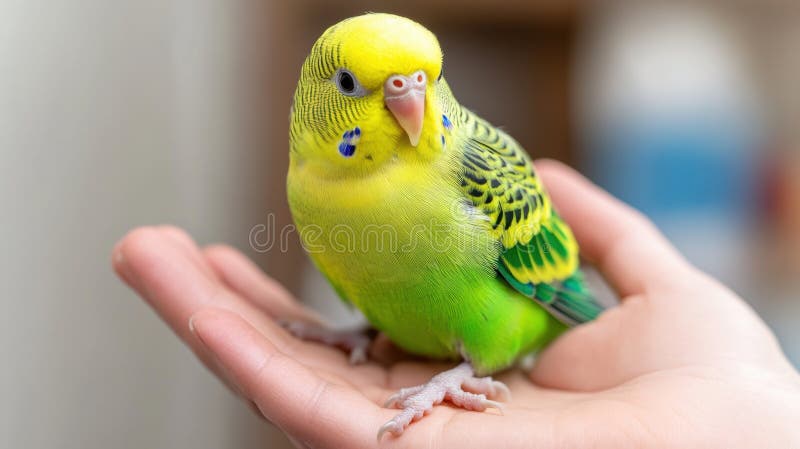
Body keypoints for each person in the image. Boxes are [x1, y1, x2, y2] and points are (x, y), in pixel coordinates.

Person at [112, 160, 800, 448]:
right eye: (355, 86)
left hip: (523, 318)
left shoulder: (478, 177)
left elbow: (552, 279)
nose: (404, 100)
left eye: (422, 79)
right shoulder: (310, 189)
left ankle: (464, 362)